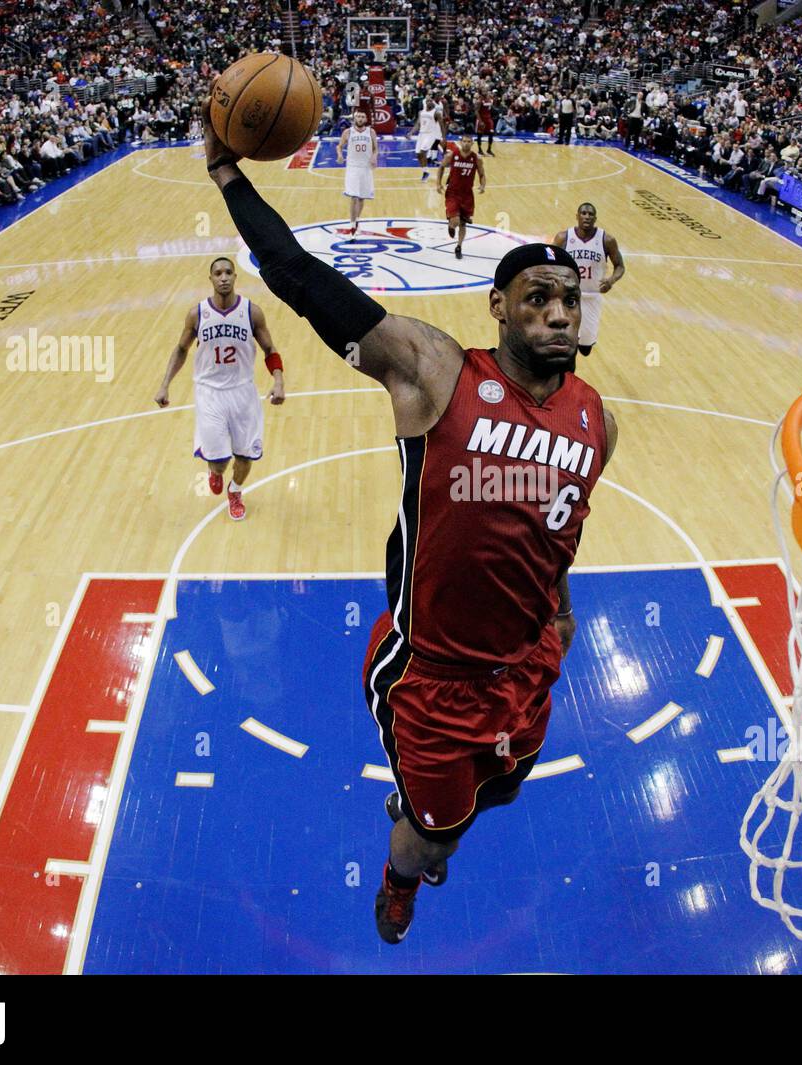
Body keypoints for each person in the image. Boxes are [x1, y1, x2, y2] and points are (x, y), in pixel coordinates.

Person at [201, 100, 618, 945]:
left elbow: (552, 527)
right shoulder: (433, 373)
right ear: (497, 307)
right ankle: (400, 880)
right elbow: (305, 280)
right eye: (538, 298)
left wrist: (562, 611)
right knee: (432, 834)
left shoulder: (597, 419)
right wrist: (227, 178)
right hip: (434, 678)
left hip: (530, 659)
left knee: (499, 790)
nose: (560, 313)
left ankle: (438, 814)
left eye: (568, 301)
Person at [154, 257, 286, 521]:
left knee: (245, 455)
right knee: (220, 461)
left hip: (243, 391)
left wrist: (278, 380)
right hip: (209, 392)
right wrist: (165, 384)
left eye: (228, 272)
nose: (223, 277)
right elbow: (181, 349)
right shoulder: (197, 314)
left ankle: (235, 491)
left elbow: (270, 350)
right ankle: (214, 472)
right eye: (218, 273)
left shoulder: (251, 312)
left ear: (236, 277)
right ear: (211, 279)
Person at [554, 202, 624, 357]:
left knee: (585, 349)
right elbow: (551, 263)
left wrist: (611, 281)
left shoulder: (607, 240)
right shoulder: (563, 237)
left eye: (590, 214)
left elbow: (620, 266)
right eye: (584, 213)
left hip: (592, 297)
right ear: (577, 216)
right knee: (565, 342)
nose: (587, 216)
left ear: (595, 218)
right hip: (568, 296)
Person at [437, 132, 486, 260]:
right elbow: (441, 167)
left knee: (463, 224)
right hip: (453, 192)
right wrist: (438, 184)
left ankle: (459, 246)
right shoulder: (452, 155)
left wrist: (482, 185)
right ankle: (451, 224)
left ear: (472, 143)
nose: (466, 143)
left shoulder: (477, 158)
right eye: (464, 141)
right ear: (461, 142)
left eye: (469, 141)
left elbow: (481, 174)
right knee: (456, 221)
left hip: (467, 194)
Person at [337, 109, 378, 235]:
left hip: (366, 167)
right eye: (358, 116)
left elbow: (375, 149)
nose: (360, 119)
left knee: (361, 197)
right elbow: (339, 146)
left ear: (365, 119)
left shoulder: (371, 132)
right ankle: (352, 224)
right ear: (354, 119)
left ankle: (357, 220)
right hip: (353, 167)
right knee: (354, 196)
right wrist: (339, 155)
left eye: (362, 117)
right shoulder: (348, 132)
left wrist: (374, 157)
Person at [414, 95, 444, 182]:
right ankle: (425, 172)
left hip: (430, 135)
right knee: (418, 154)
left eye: (431, 101)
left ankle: (430, 162)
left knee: (423, 152)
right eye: (428, 101)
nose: (430, 102)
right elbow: (417, 124)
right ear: (425, 103)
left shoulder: (436, 113)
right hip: (421, 134)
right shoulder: (421, 112)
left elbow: (442, 125)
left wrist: (444, 137)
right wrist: (411, 133)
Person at [474, 92, 495, 156]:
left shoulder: (490, 99)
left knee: (491, 133)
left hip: (488, 119)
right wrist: (480, 121)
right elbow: (476, 111)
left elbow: (490, 109)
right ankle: (480, 150)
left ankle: (489, 150)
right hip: (481, 119)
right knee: (479, 135)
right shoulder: (479, 101)